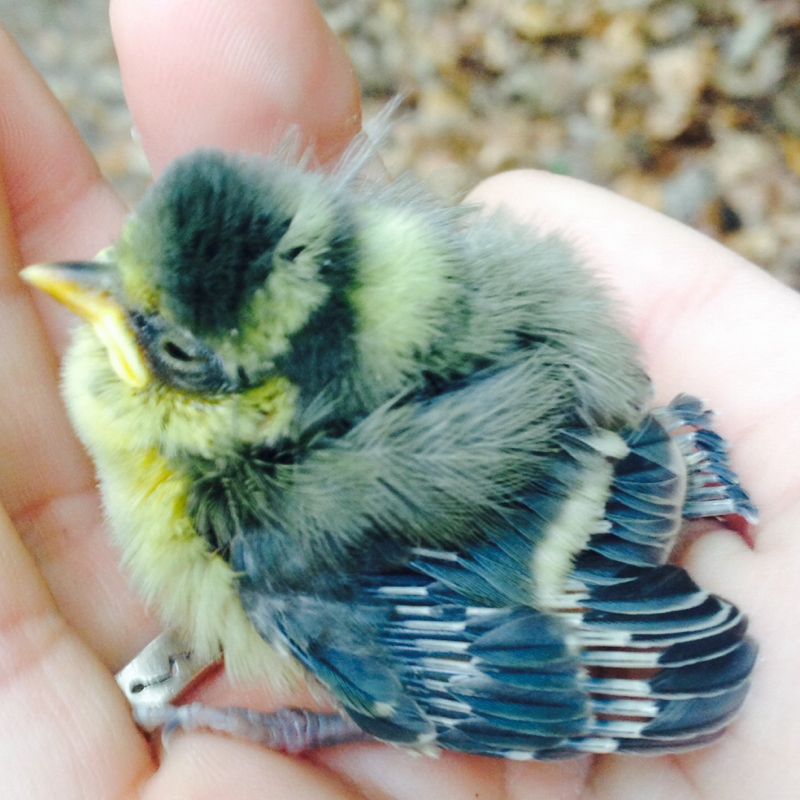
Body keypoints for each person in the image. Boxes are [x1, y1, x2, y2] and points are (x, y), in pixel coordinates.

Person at [0, 1, 797, 797]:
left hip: (581, 474)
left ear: (245, 402)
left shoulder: (267, 519)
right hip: (577, 408)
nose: (92, 283)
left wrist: (328, 712)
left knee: (366, 662)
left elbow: (480, 662)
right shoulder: (365, 263)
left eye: (172, 345)